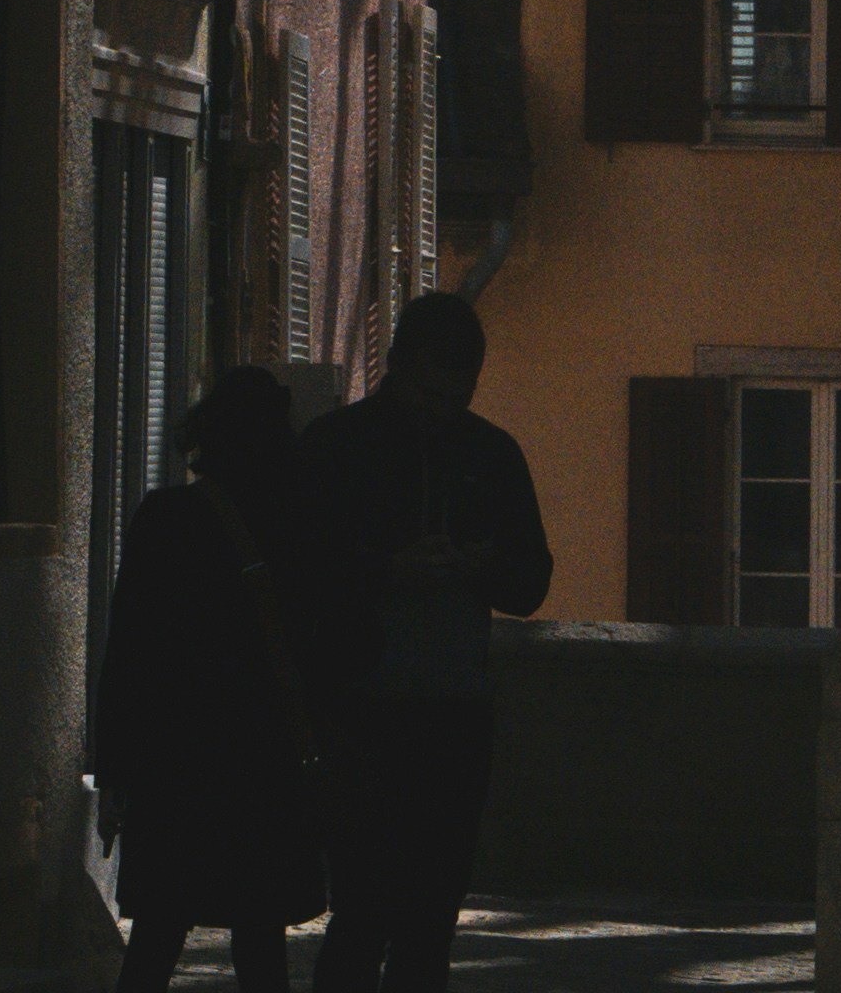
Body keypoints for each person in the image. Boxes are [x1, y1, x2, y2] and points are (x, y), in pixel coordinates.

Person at [297, 292, 553, 993]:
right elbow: (301, 570)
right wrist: (387, 570)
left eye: (455, 395)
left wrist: (481, 569)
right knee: (363, 917)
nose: (440, 410)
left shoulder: (490, 454)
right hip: (364, 715)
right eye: (429, 392)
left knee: (427, 922)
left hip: (447, 717)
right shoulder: (336, 448)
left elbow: (532, 581)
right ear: (397, 367)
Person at [91, 364, 324, 993]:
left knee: (158, 938)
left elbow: (131, 653)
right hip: (264, 758)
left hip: (177, 761)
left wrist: (115, 767)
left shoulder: (166, 518)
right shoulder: (303, 525)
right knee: (261, 940)